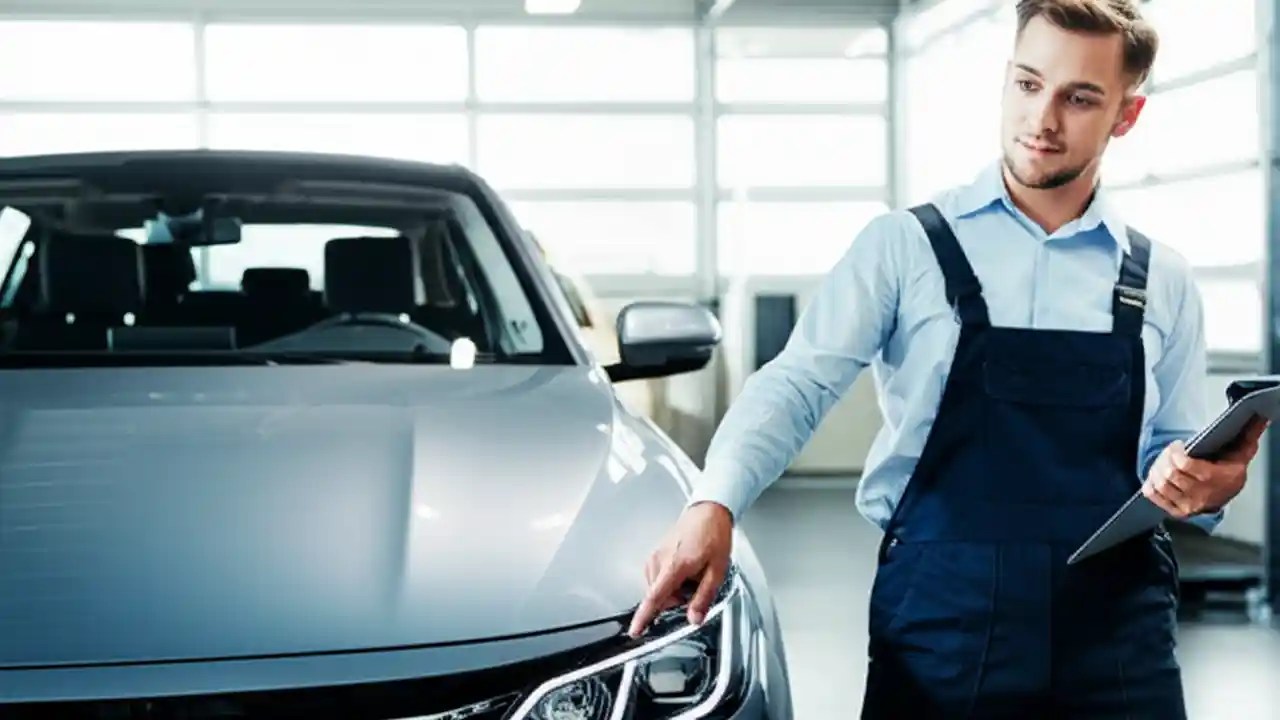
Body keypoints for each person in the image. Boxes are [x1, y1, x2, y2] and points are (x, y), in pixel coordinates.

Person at [627, 0, 1269, 716]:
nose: (1043, 119)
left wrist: (1206, 483)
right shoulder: (904, 247)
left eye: (1079, 98)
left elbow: (1168, 451)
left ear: (1126, 115)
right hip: (942, 622)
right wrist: (714, 501)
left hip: (1118, 630)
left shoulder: (1162, 278)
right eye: (1028, 84)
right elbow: (798, 381)